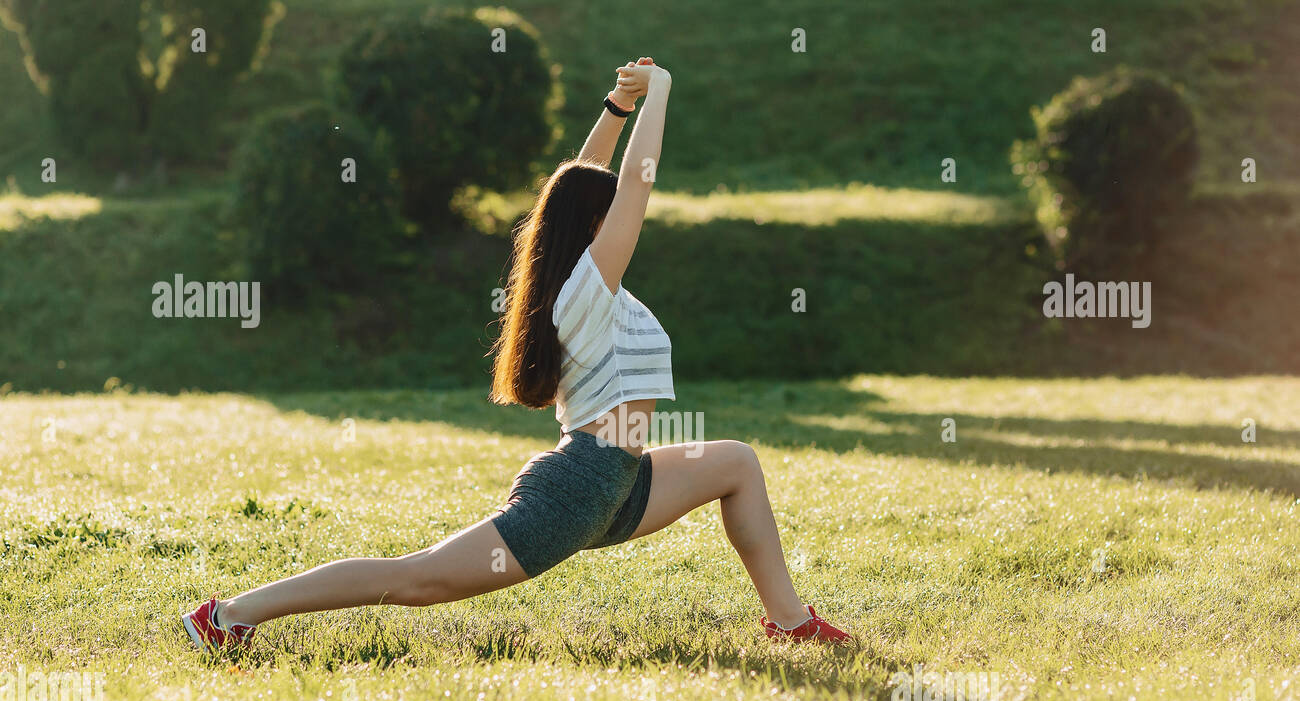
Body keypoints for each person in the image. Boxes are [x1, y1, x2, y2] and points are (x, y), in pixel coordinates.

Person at [182, 57, 853, 651]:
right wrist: (661, 92)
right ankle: (231, 613)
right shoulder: (586, 289)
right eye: (611, 209)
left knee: (735, 462)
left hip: (620, 482)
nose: (624, 210)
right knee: (421, 579)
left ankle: (790, 621)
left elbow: (583, 187)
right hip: (582, 485)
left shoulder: (586, 285)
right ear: (595, 226)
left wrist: (616, 109)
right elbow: (635, 186)